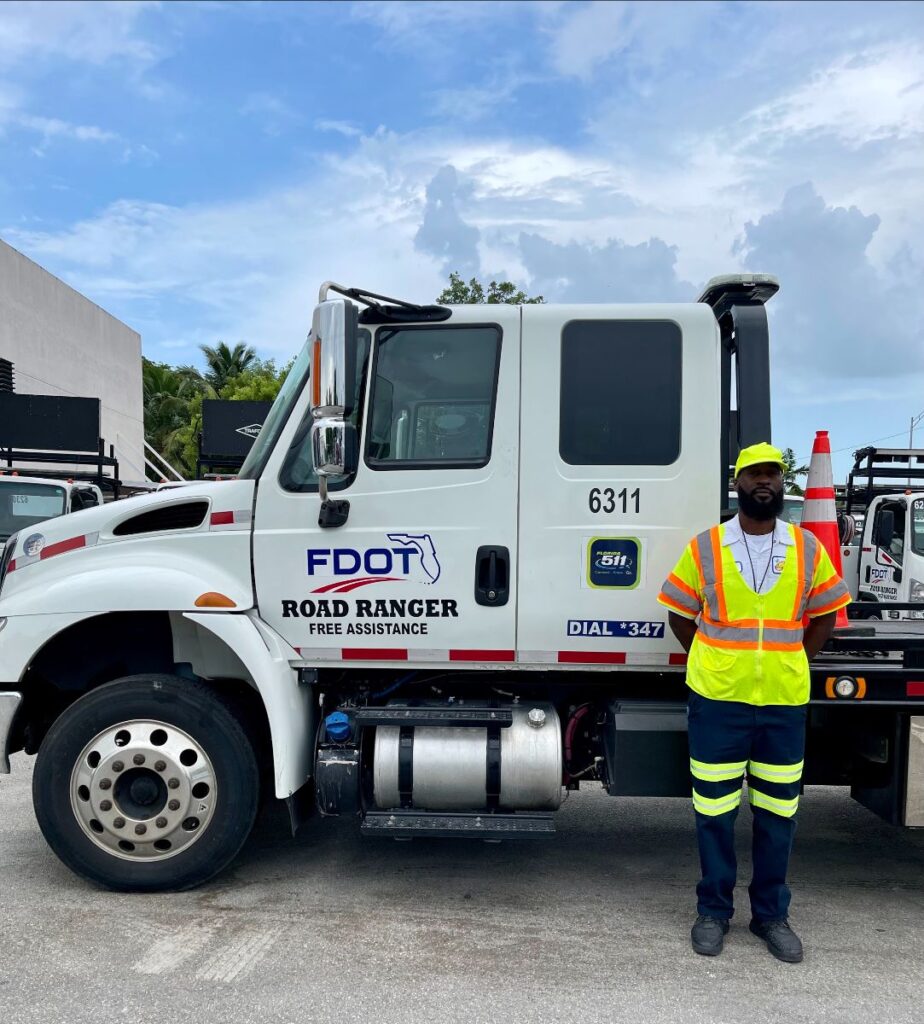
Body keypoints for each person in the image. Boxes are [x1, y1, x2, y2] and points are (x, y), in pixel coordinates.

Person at [657, 442, 851, 963]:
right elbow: (678, 613)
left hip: (783, 702)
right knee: (714, 812)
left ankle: (770, 915)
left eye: (773, 474)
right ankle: (713, 912)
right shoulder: (707, 546)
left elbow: (826, 614)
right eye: (753, 474)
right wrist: (713, 659)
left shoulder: (806, 547)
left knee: (778, 813)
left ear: (783, 484)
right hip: (719, 702)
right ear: (737, 483)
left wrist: (794, 658)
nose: (764, 481)